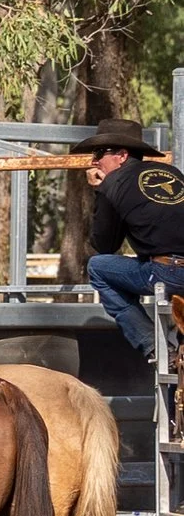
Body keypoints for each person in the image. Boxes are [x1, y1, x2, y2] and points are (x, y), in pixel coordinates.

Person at [76, 116, 184, 361]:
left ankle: (154, 346)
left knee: (98, 267)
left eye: (99, 153)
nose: (94, 161)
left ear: (122, 155)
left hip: (168, 273)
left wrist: (100, 191)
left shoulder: (112, 183)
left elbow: (105, 245)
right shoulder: (174, 173)